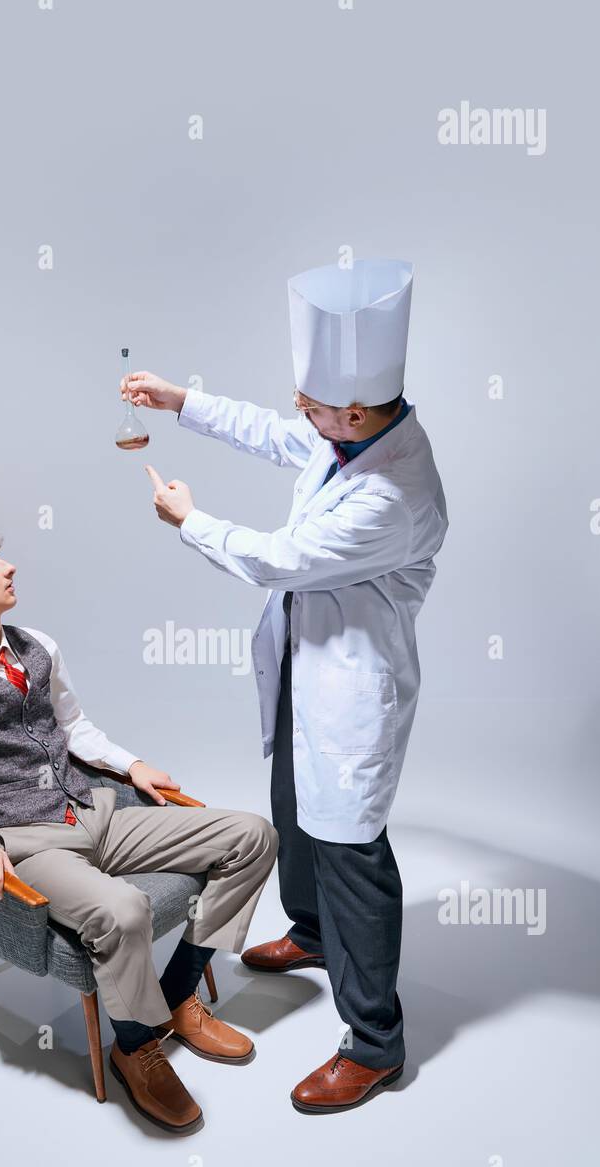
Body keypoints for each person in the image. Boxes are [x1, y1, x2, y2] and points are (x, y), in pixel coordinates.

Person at [121, 258, 449, 1114]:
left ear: (348, 410)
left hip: (350, 691)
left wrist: (188, 520)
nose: (298, 413)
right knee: (289, 808)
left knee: (350, 851)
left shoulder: (390, 492)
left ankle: (374, 1044)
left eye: (312, 405)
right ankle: (308, 934)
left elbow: (279, 560)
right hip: (303, 666)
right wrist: (179, 401)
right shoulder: (354, 433)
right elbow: (273, 433)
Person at [0, 527, 279, 1135]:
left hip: (92, 812)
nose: (8, 567)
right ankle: (135, 1045)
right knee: (124, 911)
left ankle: (176, 996)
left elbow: (74, 728)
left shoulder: (38, 645)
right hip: (27, 841)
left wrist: (131, 764)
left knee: (252, 835)